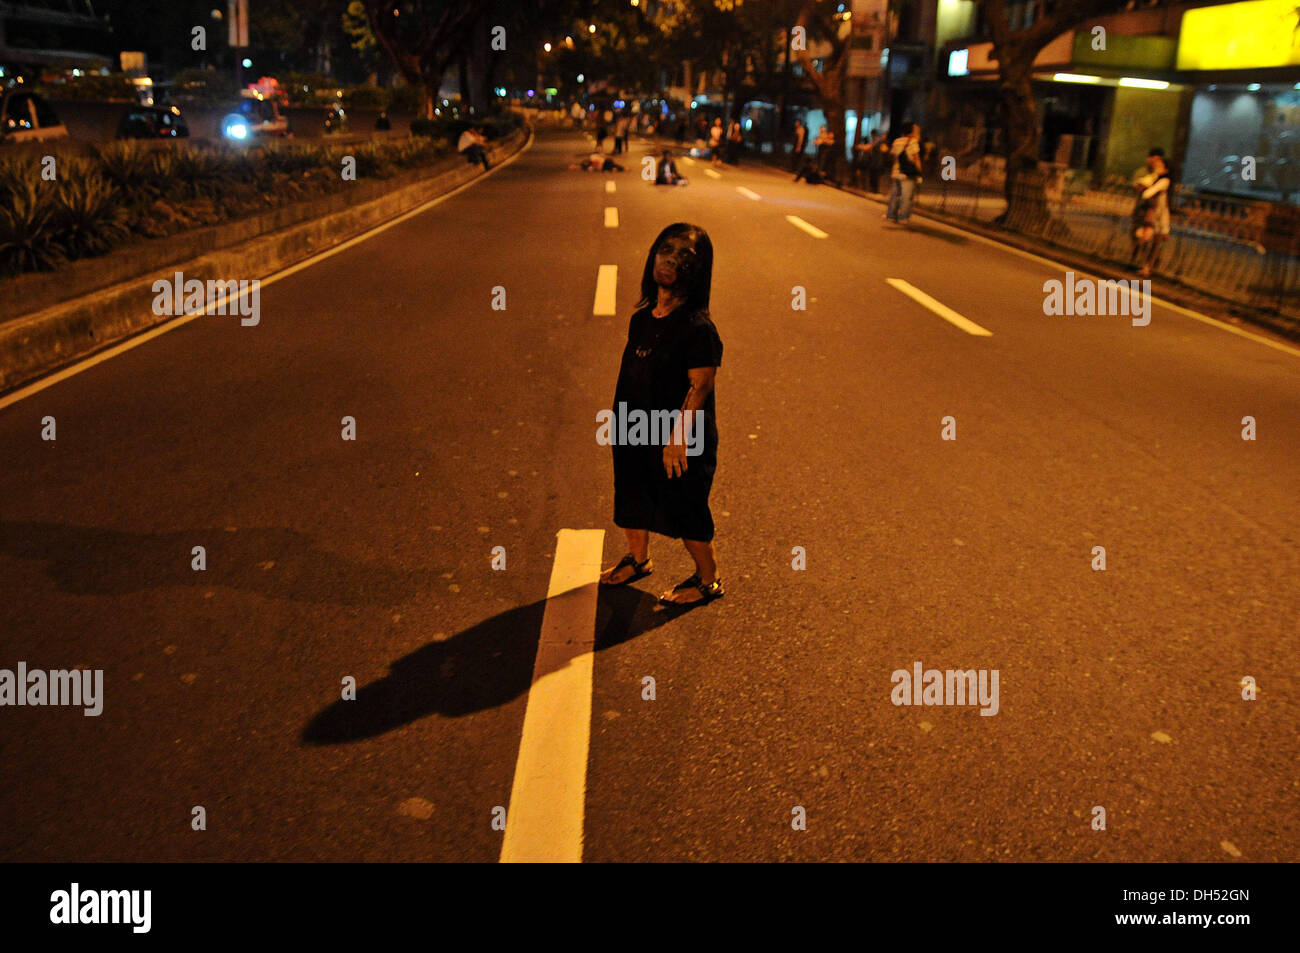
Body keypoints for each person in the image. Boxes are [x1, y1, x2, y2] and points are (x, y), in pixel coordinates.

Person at [599, 223, 724, 607]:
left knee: (686, 505)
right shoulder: (643, 318)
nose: (671, 259)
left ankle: (707, 580)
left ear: (698, 271)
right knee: (631, 493)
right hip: (635, 425)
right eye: (666, 250)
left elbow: (699, 386)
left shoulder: (697, 327)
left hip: (677, 435)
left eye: (685, 256)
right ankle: (638, 560)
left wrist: (678, 437)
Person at [1131, 147, 1172, 277]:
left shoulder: (1164, 181)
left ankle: (1148, 267)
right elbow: (1139, 185)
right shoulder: (1152, 177)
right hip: (1148, 214)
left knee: (1153, 242)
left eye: (1160, 165)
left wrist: (1149, 184)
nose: (1156, 166)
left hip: (1158, 215)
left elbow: (1147, 193)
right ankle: (1146, 266)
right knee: (1143, 239)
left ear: (1165, 169)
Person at [885, 124, 923, 224]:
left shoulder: (897, 141)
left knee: (895, 195)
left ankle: (891, 215)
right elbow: (916, 158)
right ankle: (903, 217)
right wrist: (919, 171)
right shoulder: (913, 142)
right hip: (907, 173)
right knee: (906, 196)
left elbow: (893, 157)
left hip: (897, 171)